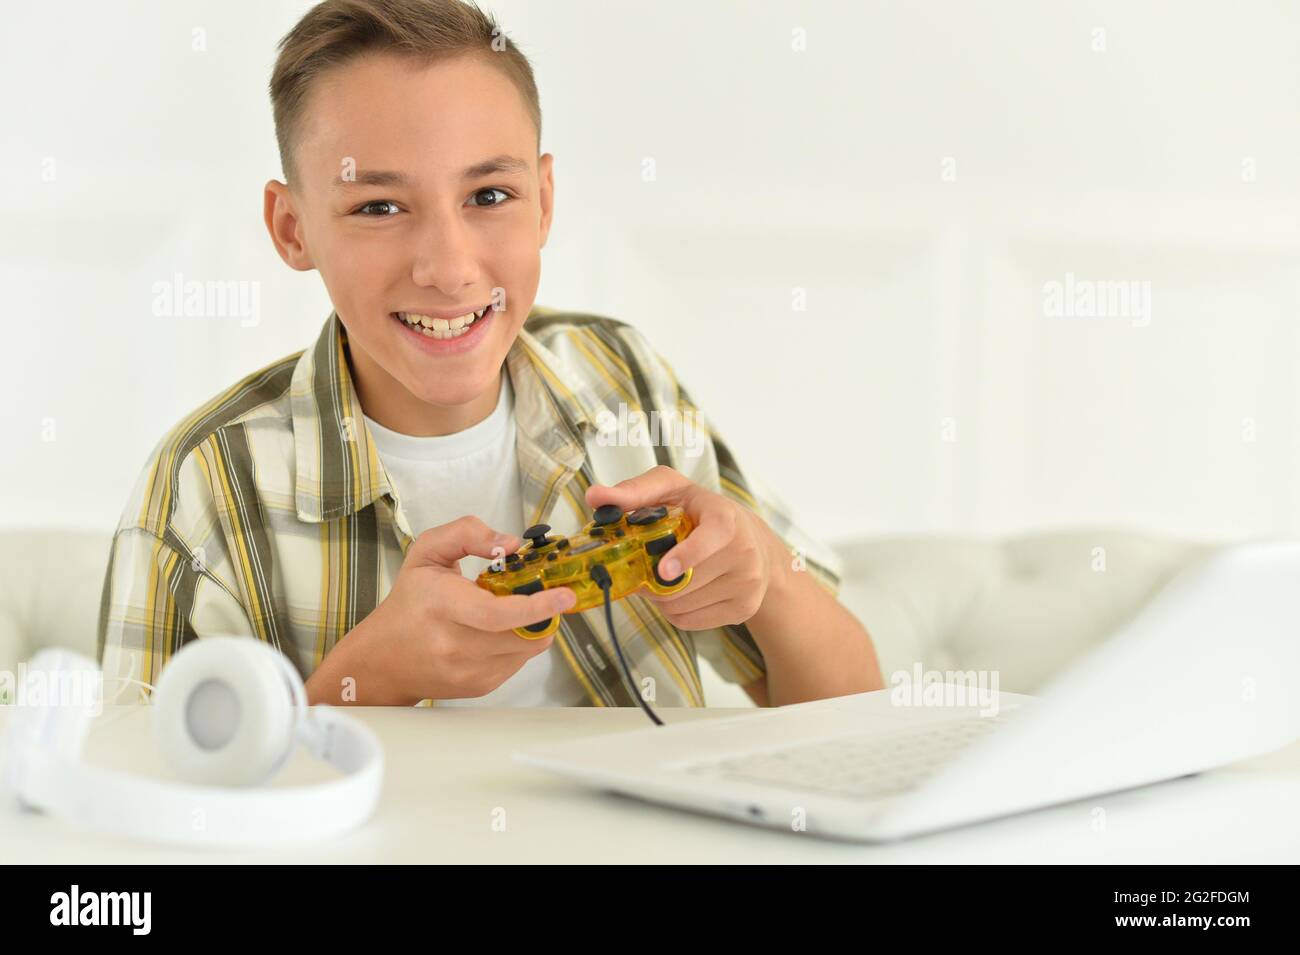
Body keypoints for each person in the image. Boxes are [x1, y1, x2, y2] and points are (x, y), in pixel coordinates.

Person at [98, 0, 883, 708]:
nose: (449, 267)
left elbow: (854, 711)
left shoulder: (623, 378)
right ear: (291, 229)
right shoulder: (205, 488)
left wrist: (769, 575)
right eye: (378, 206)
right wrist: (365, 681)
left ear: (544, 200)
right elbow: (145, 816)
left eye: (489, 196)